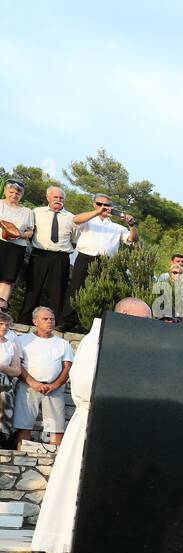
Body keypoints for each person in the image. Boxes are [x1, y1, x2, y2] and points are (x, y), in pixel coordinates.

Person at [31, 296, 151, 553]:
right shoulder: (96, 340)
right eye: (144, 320)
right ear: (125, 316)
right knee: (79, 482)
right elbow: (85, 384)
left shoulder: (136, 346)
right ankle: (72, 540)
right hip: (94, 422)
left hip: (122, 425)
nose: (149, 327)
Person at [64, 195, 138, 329]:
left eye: (107, 205)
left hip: (105, 261)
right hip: (85, 257)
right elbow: (75, 220)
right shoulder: (89, 221)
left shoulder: (117, 227)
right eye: (99, 204)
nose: (104, 207)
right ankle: (67, 322)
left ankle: (89, 324)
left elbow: (133, 239)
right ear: (94, 204)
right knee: (76, 289)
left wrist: (131, 225)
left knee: (101, 291)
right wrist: (97, 212)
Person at [14, 306, 74, 447]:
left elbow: (67, 367)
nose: (50, 322)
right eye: (45, 319)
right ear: (35, 322)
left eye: (52, 319)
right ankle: (21, 459)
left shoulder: (63, 344)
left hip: (54, 390)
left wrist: (54, 385)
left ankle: (54, 461)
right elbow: (18, 365)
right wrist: (33, 383)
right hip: (27, 388)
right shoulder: (23, 340)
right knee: (24, 426)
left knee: (56, 429)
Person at [20, 187, 76, 323]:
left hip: (60, 256)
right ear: (48, 198)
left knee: (58, 290)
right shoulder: (36, 212)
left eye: (61, 198)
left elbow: (74, 240)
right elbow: (30, 230)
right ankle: (25, 318)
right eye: (55, 197)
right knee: (33, 287)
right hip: (39, 254)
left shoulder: (71, 217)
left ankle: (55, 321)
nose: (58, 200)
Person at [0, 180, 36, 312]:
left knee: (7, 278)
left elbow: (30, 231)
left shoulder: (27, 211)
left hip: (16, 247)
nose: (14, 195)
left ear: (22, 195)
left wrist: (18, 235)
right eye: (11, 192)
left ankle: (1, 308)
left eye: (18, 193)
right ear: (5, 191)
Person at [0, 311, 22, 446]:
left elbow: (17, 370)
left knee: (4, 405)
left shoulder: (11, 344)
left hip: (4, 380)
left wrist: (1, 367)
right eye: (1, 324)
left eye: (7, 325)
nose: (4, 327)